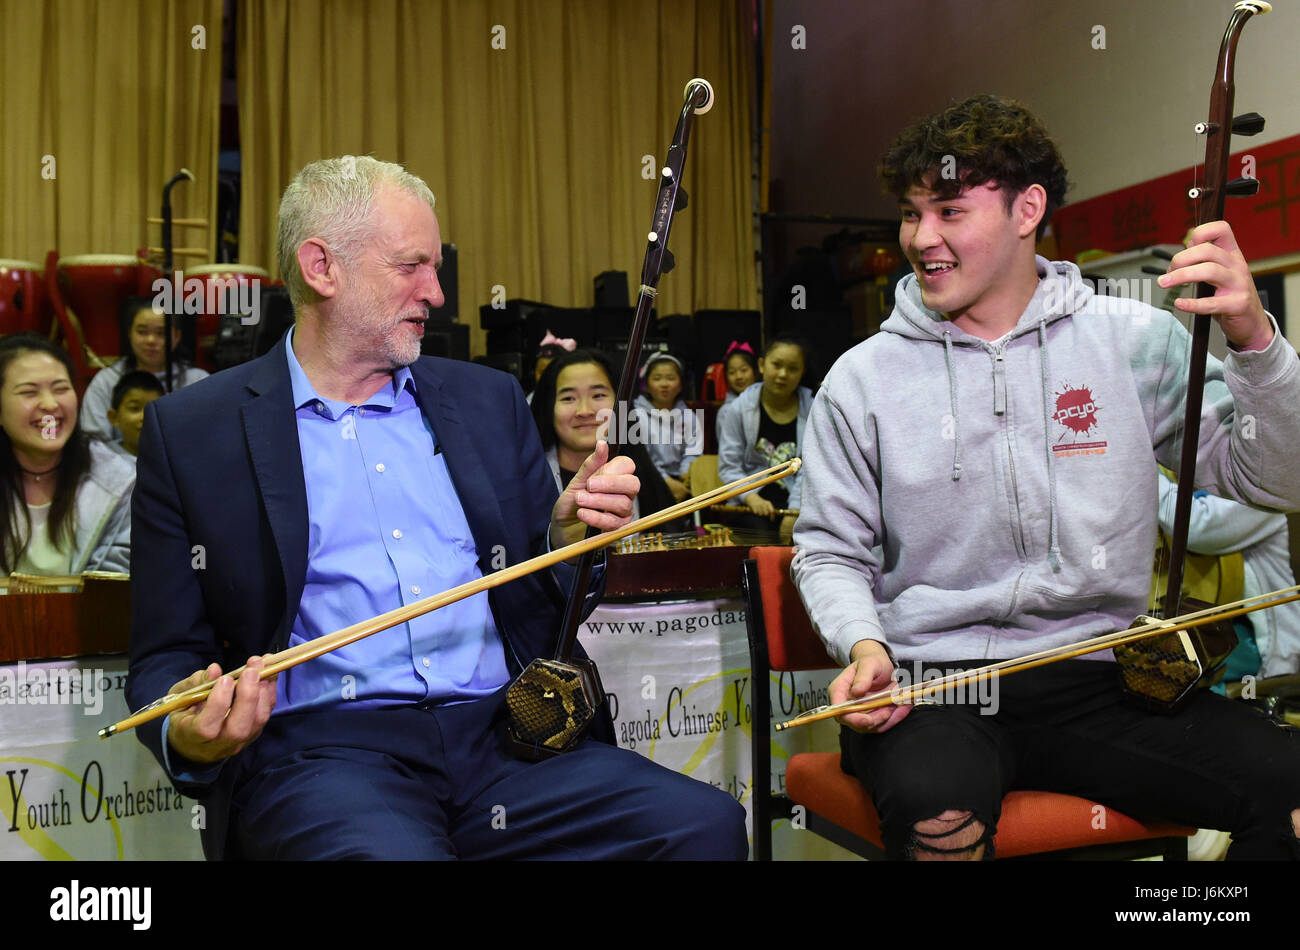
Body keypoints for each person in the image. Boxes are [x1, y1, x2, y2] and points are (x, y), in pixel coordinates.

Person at [125, 156, 746, 861]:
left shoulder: (486, 401)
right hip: (327, 757)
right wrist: (186, 732)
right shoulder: (194, 430)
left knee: (701, 826)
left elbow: (553, 600)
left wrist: (566, 537)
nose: (437, 292)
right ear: (321, 267)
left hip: (507, 740)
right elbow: (164, 655)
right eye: (412, 266)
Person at [791, 93, 1300, 860]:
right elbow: (830, 549)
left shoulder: (1136, 342)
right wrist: (864, 646)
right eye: (910, 213)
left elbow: (1274, 482)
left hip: (1104, 680)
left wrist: (1255, 340)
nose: (921, 238)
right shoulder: (861, 379)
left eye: (951, 211)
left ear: (1027, 209)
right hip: (936, 688)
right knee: (937, 816)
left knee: (1288, 787)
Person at [0, 333, 133, 578]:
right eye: (29, 392)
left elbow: (116, 590)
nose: (50, 405)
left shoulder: (122, 482)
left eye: (60, 389)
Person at [1156, 470, 1299, 680]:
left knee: (1169, 664)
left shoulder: (1266, 501)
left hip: (1261, 652)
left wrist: (1143, 466)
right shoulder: (1208, 490)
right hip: (1219, 633)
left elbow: (1194, 525)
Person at [531, 347, 684, 529]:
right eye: (568, 398)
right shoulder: (527, 483)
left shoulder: (646, 481)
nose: (584, 411)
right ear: (548, 407)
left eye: (598, 395)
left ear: (621, 405)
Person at [716, 336, 813, 543]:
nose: (783, 374)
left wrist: (794, 511)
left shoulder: (814, 410)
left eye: (793, 368)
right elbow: (729, 467)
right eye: (776, 365)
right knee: (762, 539)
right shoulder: (738, 409)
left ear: (802, 372)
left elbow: (809, 468)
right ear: (761, 365)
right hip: (749, 501)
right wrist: (751, 497)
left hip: (800, 502)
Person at [79, 295, 208, 443]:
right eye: (142, 332)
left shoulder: (198, 381)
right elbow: (94, 440)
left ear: (177, 337)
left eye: (160, 333)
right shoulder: (108, 380)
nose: (151, 340)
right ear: (129, 334)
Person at [633, 352, 702, 501]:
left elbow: (694, 451)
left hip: (683, 481)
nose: (664, 384)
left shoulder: (689, 416)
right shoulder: (637, 416)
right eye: (657, 378)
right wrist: (666, 481)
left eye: (671, 378)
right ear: (646, 385)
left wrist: (685, 476)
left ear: (680, 385)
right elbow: (643, 457)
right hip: (648, 480)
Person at [105, 371, 165, 459]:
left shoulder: (176, 457)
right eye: (135, 408)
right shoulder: (101, 459)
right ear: (114, 417)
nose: (146, 417)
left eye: (154, 409)